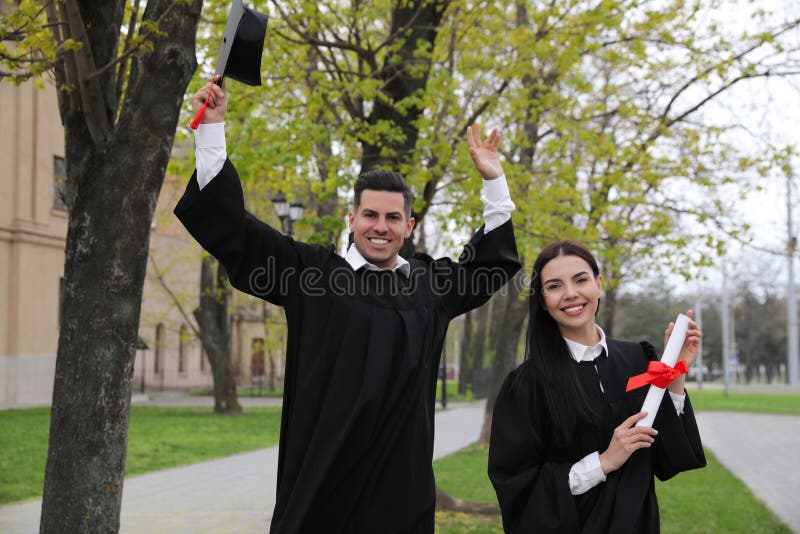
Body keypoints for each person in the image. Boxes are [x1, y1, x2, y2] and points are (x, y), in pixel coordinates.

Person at [174, 76, 521, 533]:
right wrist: (212, 129)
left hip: (400, 495)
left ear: (409, 224)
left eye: (393, 217)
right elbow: (235, 231)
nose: (381, 226)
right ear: (351, 218)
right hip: (323, 488)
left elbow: (490, 267)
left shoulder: (429, 286)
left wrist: (494, 182)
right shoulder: (311, 276)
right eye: (371, 215)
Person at [488, 240, 706, 533]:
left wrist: (676, 371)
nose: (571, 294)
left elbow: (669, 457)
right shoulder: (528, 385)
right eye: (554, 286)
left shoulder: (637, 359)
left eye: (581, 280)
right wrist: (603, 462)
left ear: (599, 284)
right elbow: (518, 485)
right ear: (542, 300)